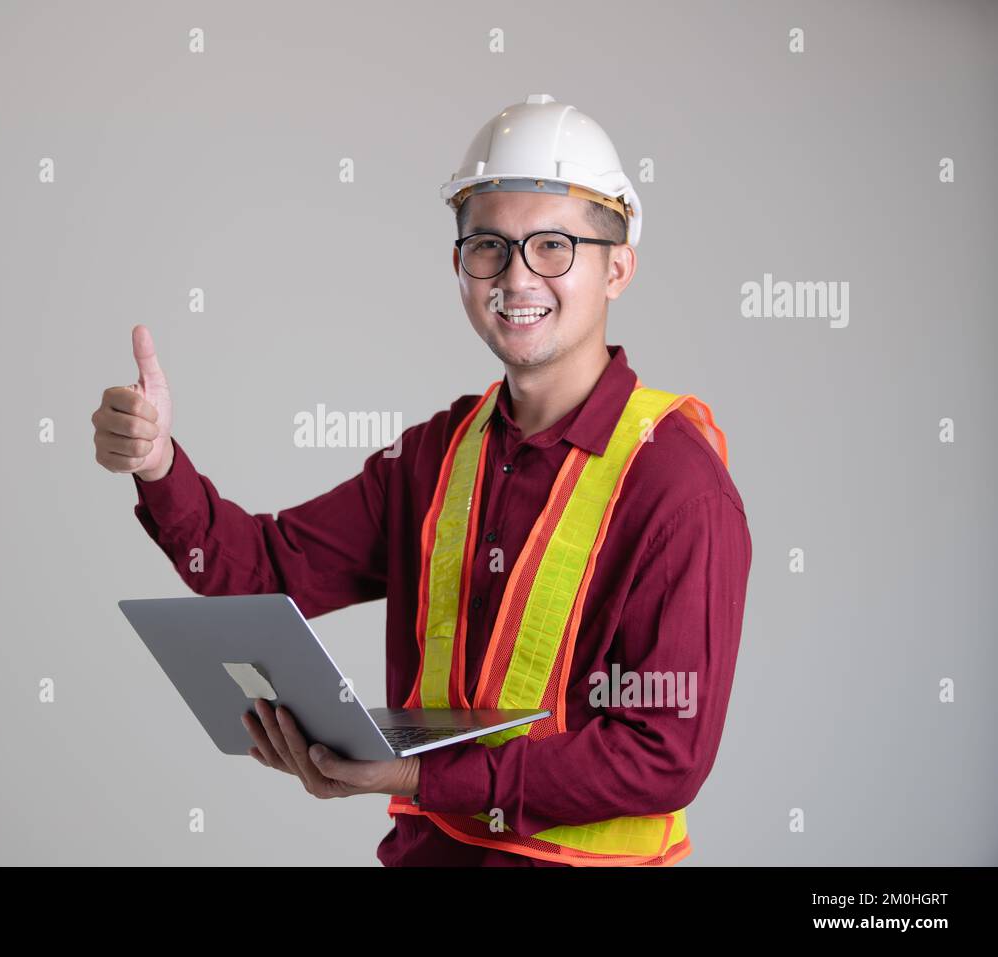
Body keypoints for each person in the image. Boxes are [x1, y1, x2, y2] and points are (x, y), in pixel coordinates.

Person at [91, 95, 751, 866]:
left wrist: (417, 772)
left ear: (619, 267)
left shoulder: (677, 483)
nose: (517, 275)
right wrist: (160, 462)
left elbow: (666, 753)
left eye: (553, 246)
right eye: (489, 247)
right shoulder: (437, 456)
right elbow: (263, 568)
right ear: (459, 266)